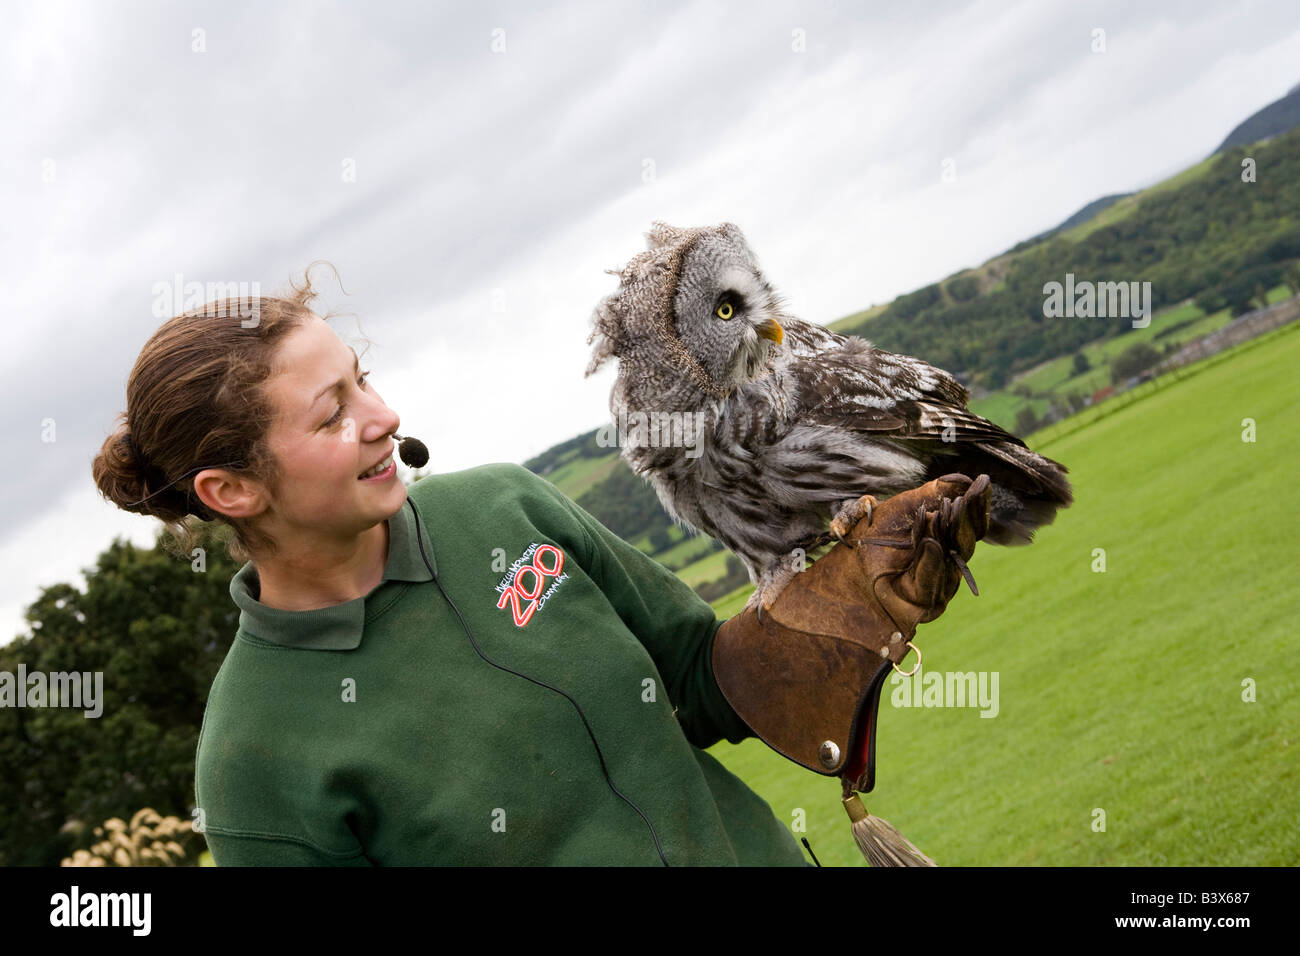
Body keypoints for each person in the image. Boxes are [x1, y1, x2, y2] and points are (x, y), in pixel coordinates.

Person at [92, 268, 987, 866]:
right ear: (232, 489)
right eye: (331, 415)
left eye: (362, 378)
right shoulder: (254, 757)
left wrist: (846, 611)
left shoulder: (504, 508)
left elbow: (697, 679)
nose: (383, 415)